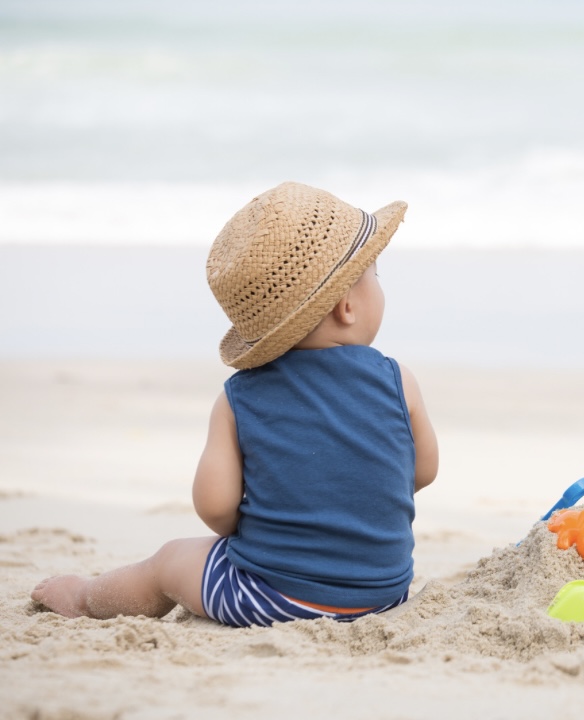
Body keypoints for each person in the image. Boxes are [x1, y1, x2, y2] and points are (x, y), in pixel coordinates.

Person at [31, 182, 439, 627]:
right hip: (384, 595)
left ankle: (87, 599)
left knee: (167, 563)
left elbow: (217, 511)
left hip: (269, 600)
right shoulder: (400, 380)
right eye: (375, 276)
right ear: (346, 307)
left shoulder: (238, 397)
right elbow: (421, 472)